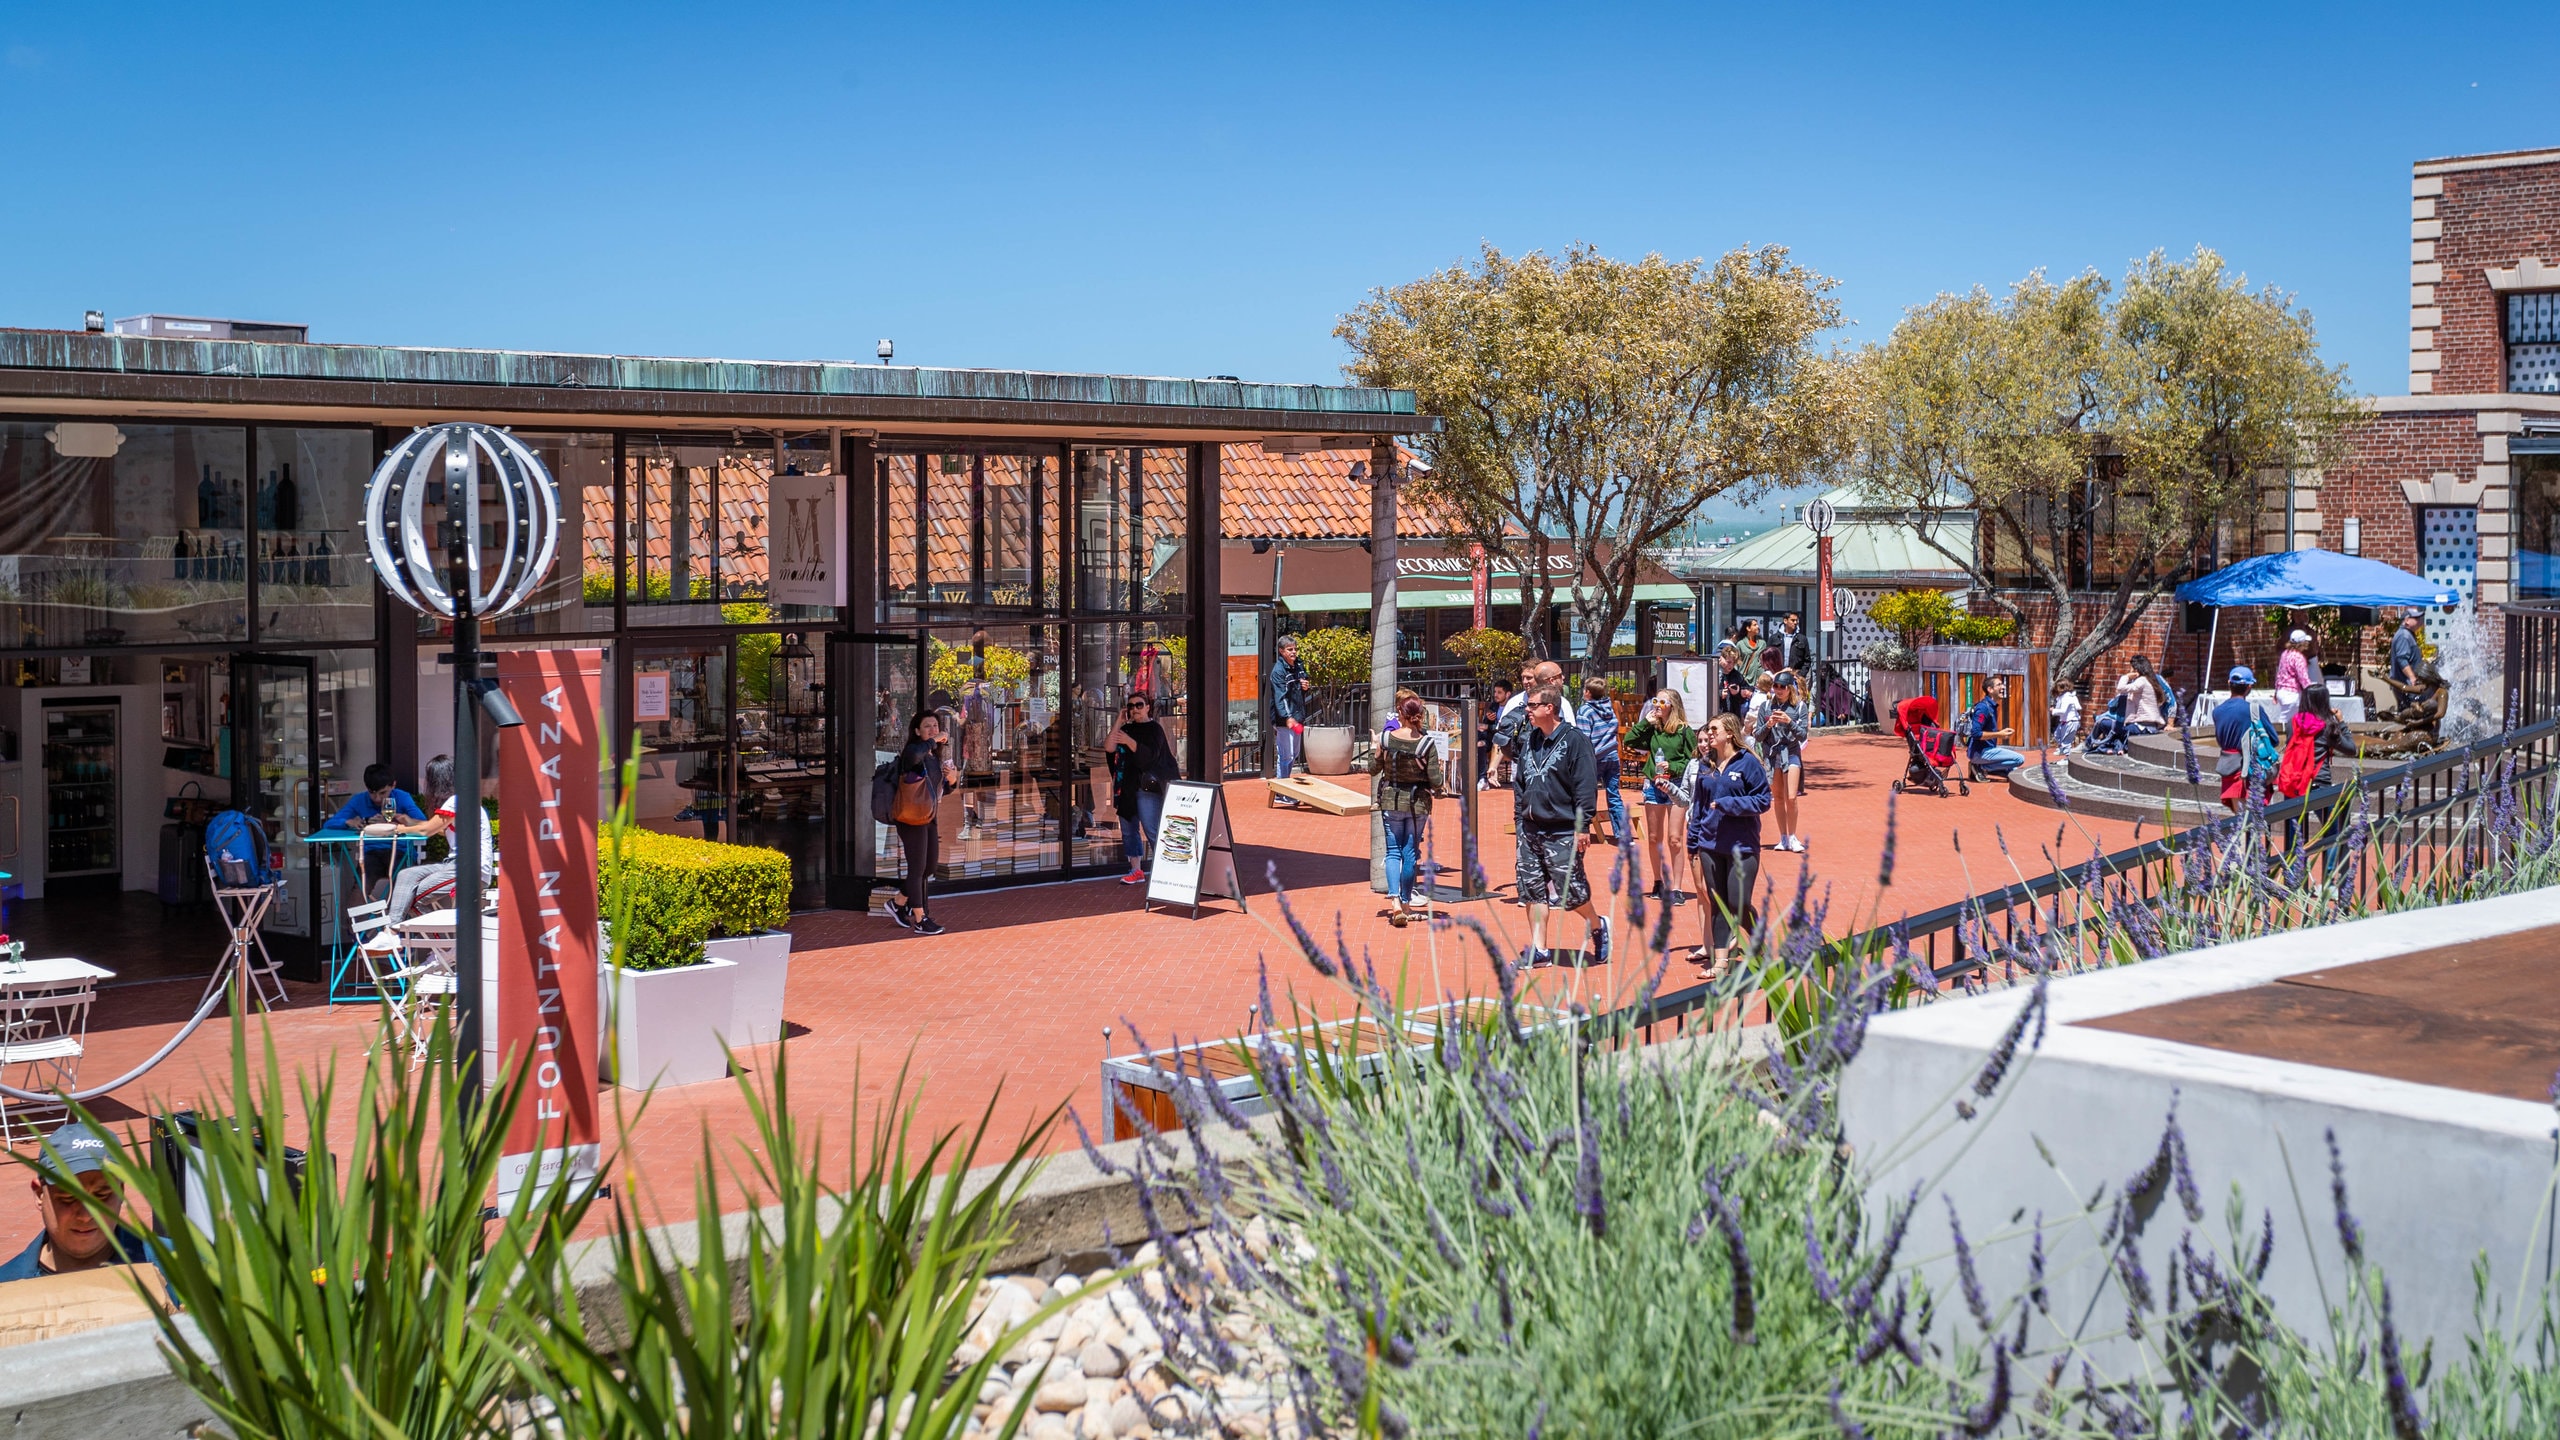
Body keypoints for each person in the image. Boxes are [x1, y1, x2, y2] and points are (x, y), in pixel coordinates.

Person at [1511, 688, 1606, 966]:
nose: (1527, 710)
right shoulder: (1530, 740)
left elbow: (1585, 785)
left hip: (1563, 829)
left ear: (1549, 708)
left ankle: (1598, 924)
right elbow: (1521, 782)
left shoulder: (1575, 741)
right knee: (1533, 890)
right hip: (1530, 829)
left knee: (1571, 893)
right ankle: (1540, 950)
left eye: (1532, 705)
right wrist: (1520, 819)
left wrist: (1583, 825)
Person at [0, 1121, 153, 1281]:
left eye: (101, 1196)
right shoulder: (6, 1287)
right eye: (68, 1197)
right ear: (40, 1194)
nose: (86, 1215)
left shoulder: (172, 1270)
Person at [1685, 713, 1771, 975]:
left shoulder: (1747, 764)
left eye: (1714, 729)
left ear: (1730, 734)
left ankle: (1758, 943)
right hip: (1710, 845)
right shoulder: (1706, 765)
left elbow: (1763, 800)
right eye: (1708, 729)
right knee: (1718, 902)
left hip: (1741, 846)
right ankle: (1720, 962)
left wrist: (1730, 804)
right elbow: (1698, 807)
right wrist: (1693, 843)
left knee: (1738, 902)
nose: (1709, 734)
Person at [384, 755, 495, 920]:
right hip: (458, 865)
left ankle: (398, 932)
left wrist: (401, 829)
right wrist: (409, 822)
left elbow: (426, 831)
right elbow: (438, 828)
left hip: (466, 868)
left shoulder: (455, 801)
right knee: (406, 876)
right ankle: (393, 931)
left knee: (411, 899)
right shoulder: (462, 799)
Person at [1373, 696, 1446, 926]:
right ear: (1419, 716)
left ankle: (1395, 903)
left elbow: (1373, 769)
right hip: (1417, 803)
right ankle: (1406, 902)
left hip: (1391, 799)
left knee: (1393, 851)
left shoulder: (1385, 739)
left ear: (1400, 714)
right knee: (1410, 853)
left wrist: (1377, 750)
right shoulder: (1426, 743)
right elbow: (1435, 780)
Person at [887, 713, 961, 933]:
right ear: (917, 731)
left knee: (929, 867)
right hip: (911, 817)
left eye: (936, 725)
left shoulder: (933, 756)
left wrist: (952, 781)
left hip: (928, 815)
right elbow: (914, 757)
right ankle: (920, 919)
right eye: (927, 726)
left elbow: (938, 790)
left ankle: (898, 902)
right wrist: (934, 739)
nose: (932, 729)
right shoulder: (913, 751)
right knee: (917, 868)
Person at [1625, 689, 1700, 904]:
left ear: (1673, 705)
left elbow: (1692, 760)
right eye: (1655, 700)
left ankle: (1677, 886)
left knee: (1675, 839)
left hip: (1676, 786)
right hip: (1654, 784)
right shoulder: (1653, 728)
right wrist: (1645, 723)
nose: (1656, 705)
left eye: (1662, 702)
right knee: (1654, 838)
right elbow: (1630, 740)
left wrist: (1673, 767)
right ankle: (1658, 881)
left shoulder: (1684, 731)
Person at [1108, 694, 1182, 886]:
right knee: (1129, 830)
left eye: (1139, 705)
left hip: (1146, 787)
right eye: (1131, 706)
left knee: (1151, 828)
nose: (1135, 709)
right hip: (1126, 787)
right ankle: (1136, 869)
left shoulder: (1154, 729)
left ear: (1148, 707)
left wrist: (1129, 742)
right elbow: (1109, 748)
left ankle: (1166, 869)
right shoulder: (1126, 729)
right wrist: (1119, 720)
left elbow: (1149, 758)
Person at [321, 762, 427, 894]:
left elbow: (423, 823)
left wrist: (395, 822)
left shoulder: (401, 797)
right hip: (372, 854)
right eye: (372, 793)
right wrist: (349, 822)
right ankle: (354, 915)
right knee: (360, 888)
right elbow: (329, 824)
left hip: (401, 852)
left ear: (393, 785)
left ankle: (399, 914)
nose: (377, 798)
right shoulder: (359, 800)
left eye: (383, 793)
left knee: (403, 888)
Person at [1756, 671, 1809, 852]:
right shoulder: (1766, 706)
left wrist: (1788, 721)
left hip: (1791, 753)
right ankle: (1783, 837)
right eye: (1776, 686)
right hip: (1772, 755)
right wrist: (1768, 724)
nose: (1778, 690)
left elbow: (1802, 735)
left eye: (1782, 687)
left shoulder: (1800, 707)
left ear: (1790, 689)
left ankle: (1793, 836)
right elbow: (1757, 735)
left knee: (1791, 797)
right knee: (1778, 797)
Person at [1576, 675, 1629, 847]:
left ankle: (1581, 829)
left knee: (1587, 794)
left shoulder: (1585, 711)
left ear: (1589, 693)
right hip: (1612, 755)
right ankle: (1623, 835)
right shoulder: (1609, 707)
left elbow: (1583, 738)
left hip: (1594, 758)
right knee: (1614, 795)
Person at [2210, 667, 2260, 813]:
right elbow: (2273, 739)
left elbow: (2220, 739)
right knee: (2253, 819)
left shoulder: (2217, 711)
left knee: (2238, 816)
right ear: (2249, 686)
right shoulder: (2253, 710)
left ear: (2229, 683)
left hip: (2228, 765)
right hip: (2250, 768)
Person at [1267, 635, 1310, 807]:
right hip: (1284, 719)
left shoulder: (1298, 665)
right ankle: (1282, 791)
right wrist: (1287, 717)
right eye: (1289, 649)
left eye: (1294, 649)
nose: (1293, 652)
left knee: (1294, 753)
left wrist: (1306, 686)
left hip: (1297, 716)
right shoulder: (1278, 671)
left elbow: (1302, 685)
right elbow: (1280, 698)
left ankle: (1284, 787)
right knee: (1286, 755)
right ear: (1281, 651)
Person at [1961, 677, 2025, 779]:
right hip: (1980, 752)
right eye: (1999, 685)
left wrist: (1999, 733)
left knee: (2013, 771)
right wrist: (2000, 734)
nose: (2003, 687)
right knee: (2019, 759)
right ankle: (1981, 767)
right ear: (1990, 690)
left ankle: (1985, 768)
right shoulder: (1983, 708)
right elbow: (1976, 733)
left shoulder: (1991, 706)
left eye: (2002, 684)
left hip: (1988, 750)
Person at [2114, 656, 2169, 736]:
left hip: (2142, 726)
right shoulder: (2149, 680)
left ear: (2136, 670)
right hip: (2151, 726)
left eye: (2131, 668)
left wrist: (2126, 677)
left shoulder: (2142, 681)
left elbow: (2121, 688)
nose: (2129, 671)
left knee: (2106, 725)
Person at [2272, 628, 2316, 726]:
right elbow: (2303, 679)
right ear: (2301, 643)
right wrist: (2313, 692)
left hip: (2281, 692)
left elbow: (2279, 674)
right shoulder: (2298, 657)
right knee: (2288, 725)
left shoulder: (2285, 654)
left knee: (2287, 723)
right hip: (2292, 694)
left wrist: (2276, 692)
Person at [1476, 678, 1512, 784]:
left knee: (1481, 741)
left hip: (1504, 740)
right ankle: (1481, 778)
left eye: (1499, 692)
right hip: (1491, 737)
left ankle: (1482, 778)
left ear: (1508, 694)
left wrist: (1488, 726)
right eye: (1495, 692)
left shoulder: (1511, 707)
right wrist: (1488, 719)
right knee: (1478, 740)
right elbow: (1487, 723)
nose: (1496, 695)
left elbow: (1506, 728)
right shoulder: (1494, 705)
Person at [2388, 613, 2426, 708]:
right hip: (2407, 686)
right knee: (2410, 713)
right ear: (2407, 620)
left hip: (2407, 686)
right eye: (2417, 618)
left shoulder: (2407, 634)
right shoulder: (2404, 636)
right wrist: (2412, 678)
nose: (2420, 621)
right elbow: (2402, 659)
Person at [1716, 644, 1750, 718]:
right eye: (1728, 662)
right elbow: (1705, 691)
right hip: (1717, 715)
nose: (1731, 665)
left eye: (1734, 663)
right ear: (1721, 658)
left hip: (1733, 716)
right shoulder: (1713, 673)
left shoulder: (1737, 675)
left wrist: (1739, 693)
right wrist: (1719, 693)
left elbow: (1747, 690)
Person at [2050, 681, 2084, 751]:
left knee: (2066, 742)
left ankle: (2066, 758)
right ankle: (2062, 749)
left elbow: (2063, 711)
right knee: (2057, 734)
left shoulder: (2066, 697)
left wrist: (2053, 710)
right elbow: (2078, 707)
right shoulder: (2067, 696)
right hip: (2066, 721)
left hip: (2070, 721)